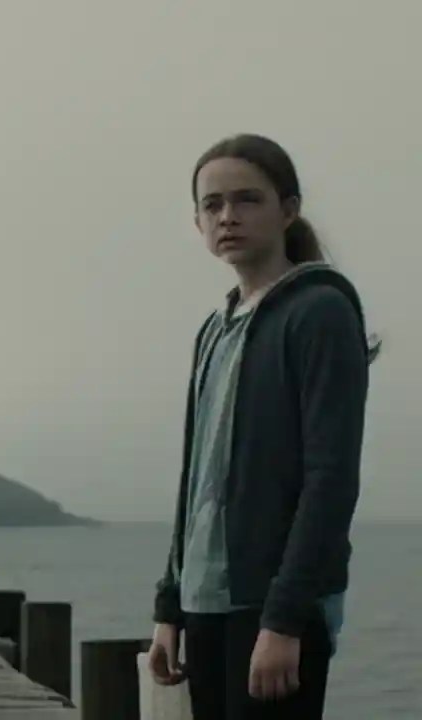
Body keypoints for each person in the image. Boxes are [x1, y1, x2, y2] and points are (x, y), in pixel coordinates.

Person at [147, 133, 379, 719]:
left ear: (288, 209)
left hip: (274, 606)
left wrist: (285, 619)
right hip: (204, 604)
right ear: (197, 221)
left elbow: (331, 479)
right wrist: (170, 607)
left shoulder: (319, 312)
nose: (227, 216)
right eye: (212, 204)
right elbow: (196, 479)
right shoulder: (215, 328)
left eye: (247, 199)